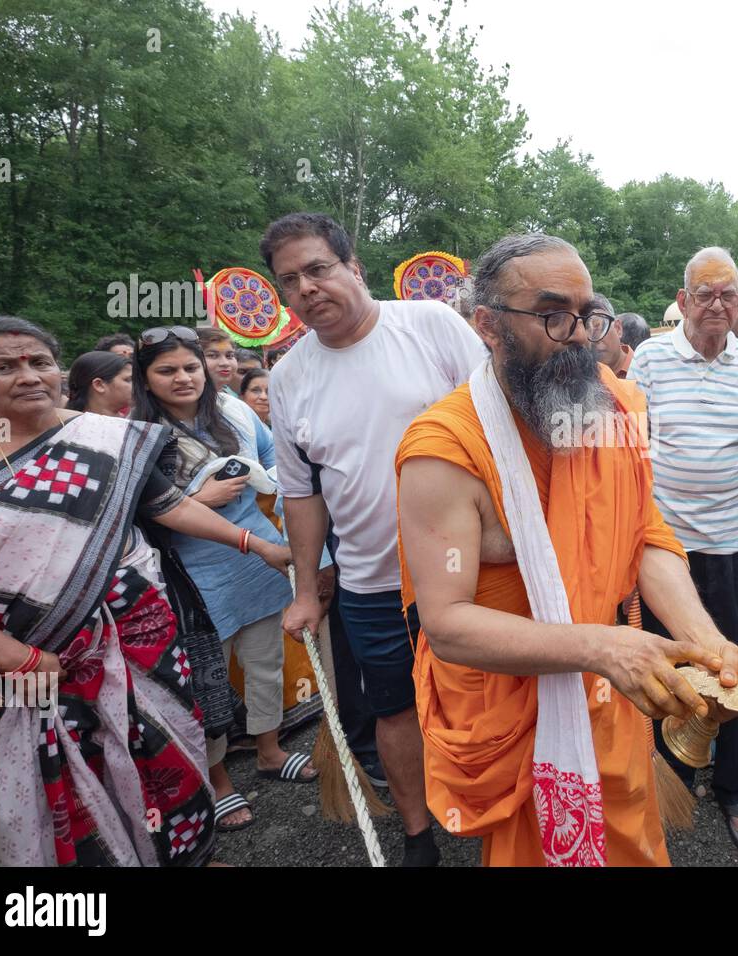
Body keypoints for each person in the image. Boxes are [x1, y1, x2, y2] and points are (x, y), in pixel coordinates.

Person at [396, 233, 738, 866]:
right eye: (554, 315)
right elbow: (446, 624)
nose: (582, 335)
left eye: (589, 314)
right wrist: (602, 646)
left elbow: (644, 533)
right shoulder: (445, 449)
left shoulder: (609, 408)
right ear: (488, 325)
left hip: (612, 690)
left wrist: (705, 641)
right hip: (516, 708)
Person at [0, 316, 288, 865]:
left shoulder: (104, 438)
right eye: (4, 367)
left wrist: (259, 545)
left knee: (161, 748)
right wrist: (9, 655)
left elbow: (169, 506)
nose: (28, 376)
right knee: (66, 769)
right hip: (30, 657)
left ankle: (186, 856)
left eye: (39, 362)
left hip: (138, 633)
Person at [263, 212, 487, 866]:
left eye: (318, 269)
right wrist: (307, 589)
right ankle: (418, 831)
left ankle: (498, 814)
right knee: (395, 711)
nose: (306, 288)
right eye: (289, 280)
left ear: (353, 267)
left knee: (488, 696)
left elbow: (497, 431)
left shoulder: (432, 324)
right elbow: (302, 495)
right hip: (370, 582)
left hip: (470, 569)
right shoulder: (288, 377)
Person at [629, 246, 738, 854]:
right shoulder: (648, 358)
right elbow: (632, 457)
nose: (720, 304)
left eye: (730, 294)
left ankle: (737, 789)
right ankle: (671, 777)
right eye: (707, 293)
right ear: (682, 300)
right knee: (668, 663)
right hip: (666, 545)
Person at [131, 326, 319, 833]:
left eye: (190, 367)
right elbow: (134, 513)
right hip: (194, 574)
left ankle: (270, 750)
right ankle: (215, 780)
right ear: (144, 380)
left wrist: (278, 494)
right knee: (205, 679)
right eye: (166, 371)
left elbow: (277, 456)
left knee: (266, 663)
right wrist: (194, 502)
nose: (183, 378)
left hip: (260, 560)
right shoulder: (136, 436)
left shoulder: (233, 412)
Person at [66, 350, 133, 417]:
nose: (138, 385)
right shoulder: (72, 425)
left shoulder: (134, 421)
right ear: (99, 385)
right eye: (128, 380)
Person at [197, 327, 238, 396]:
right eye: (212, 355)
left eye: (229, 356)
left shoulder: (235, 402)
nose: (225, 363)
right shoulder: (186, 403)